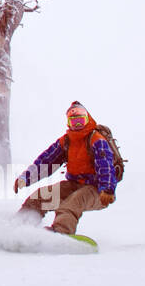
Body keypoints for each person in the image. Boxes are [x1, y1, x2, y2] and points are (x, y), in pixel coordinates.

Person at [12, 100, 116, 235]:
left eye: (81, 120)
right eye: (73, 121)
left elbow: (105, 165)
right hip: (74, 184)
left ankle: (61, 233)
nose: (77, 125)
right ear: (68, 123)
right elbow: (46, 161)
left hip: (98, 190)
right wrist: (25, 178)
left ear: (88, 119)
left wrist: (107, 189)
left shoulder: (96, 140)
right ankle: (20, 225)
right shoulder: (67, 140)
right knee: (40, 196)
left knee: (71, 204)